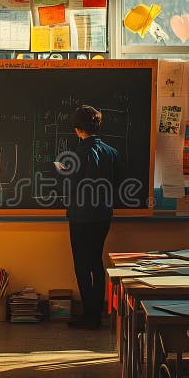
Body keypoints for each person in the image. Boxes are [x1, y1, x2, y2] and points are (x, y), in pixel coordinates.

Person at [63, 105, 118, 329]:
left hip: (81, 215)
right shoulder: (112, 153)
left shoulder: (77, 154)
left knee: (82, 266)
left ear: (77, 130)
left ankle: (90, 314)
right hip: (103, 214)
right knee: (96, 261)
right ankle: (96, 313)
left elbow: (71, 182)